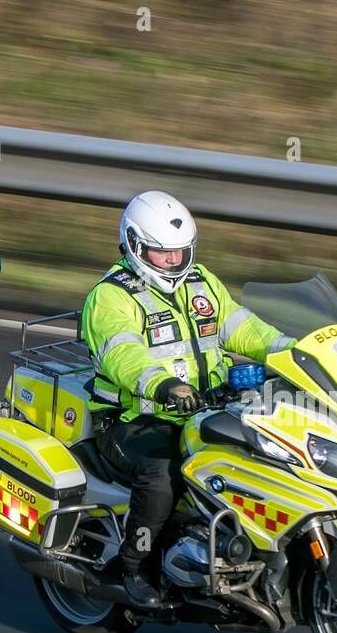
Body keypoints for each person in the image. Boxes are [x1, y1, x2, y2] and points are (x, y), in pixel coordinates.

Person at [81, 190, 294, 607]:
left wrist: (295, 351)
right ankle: (134, 566)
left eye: (180, 253)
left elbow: (245, 329)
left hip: (208, 408)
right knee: (164, 472)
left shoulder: (203, 283)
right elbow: (124, 354)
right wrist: (164, 386)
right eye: (162, 254)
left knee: (267, 454)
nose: (173, 262)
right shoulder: (110, 297)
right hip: (134, 419)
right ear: (135, 245)